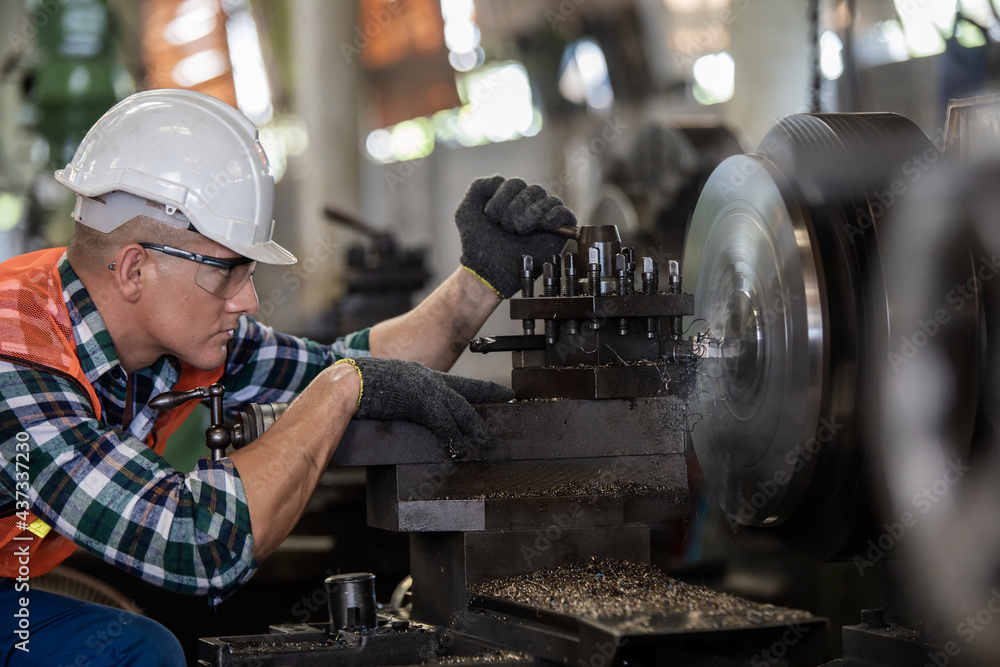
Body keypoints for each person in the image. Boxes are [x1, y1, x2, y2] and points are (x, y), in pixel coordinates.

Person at [0, 89, 575, 665]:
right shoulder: (14, 358)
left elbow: (354, 365)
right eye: (227, 272)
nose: (247, 299)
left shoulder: (172, 340)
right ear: (134, 269)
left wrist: (478, 282)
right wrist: (344, 388)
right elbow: (197, 544)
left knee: (137, 650)